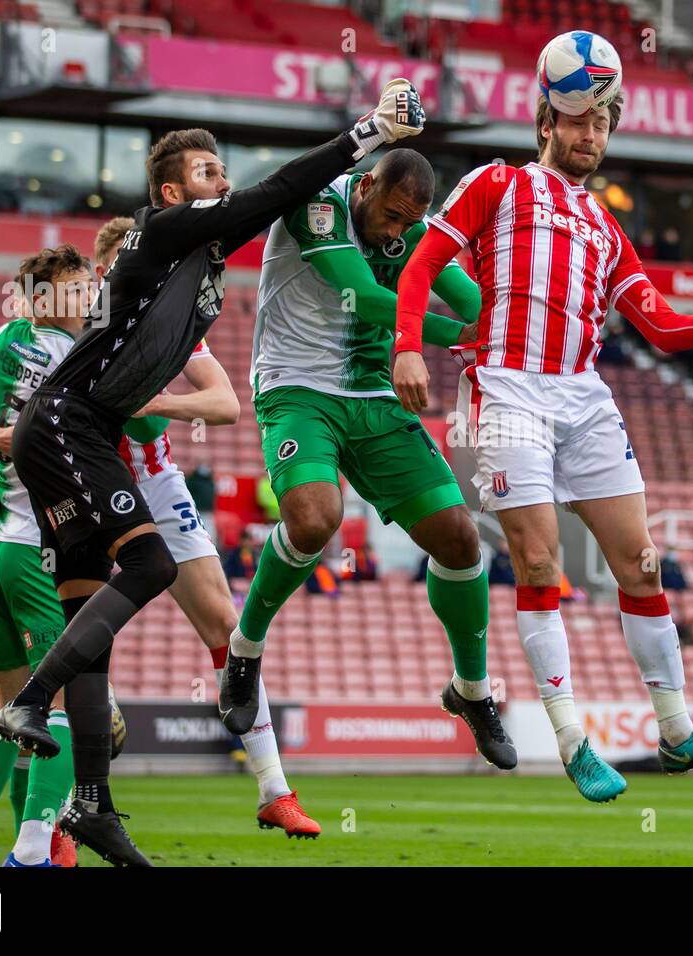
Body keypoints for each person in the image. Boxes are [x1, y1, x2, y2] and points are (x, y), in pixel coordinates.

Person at [0, 80, 428, 866]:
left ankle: (91, 805)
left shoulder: (199, 254)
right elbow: (276, 192)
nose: (220, 181)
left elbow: (259, 214)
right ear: (169, 191)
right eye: (206, 172)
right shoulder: (164, 231)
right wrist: (366, 132)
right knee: (152, 562)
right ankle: (26, 703)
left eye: (221, 170)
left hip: (79, 431)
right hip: (67, 426)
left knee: (93, 620)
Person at [392, 89, 693, 801]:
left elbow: (662, 328)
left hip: (583, 395)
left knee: (641, 564)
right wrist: (407, 347)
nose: (592, 133)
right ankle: (573, 741)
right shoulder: (497, 183)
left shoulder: (605, 225)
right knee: (539, 559)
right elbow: (422, 263)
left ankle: (676, 732)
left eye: (602, 122)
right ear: (546, 124)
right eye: (579, 119)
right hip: (509, 385)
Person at [219, 146, 514, 770]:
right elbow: (366, 297)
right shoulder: (318, 205)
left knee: (461, 540)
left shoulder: (410, 229)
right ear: (366, 187)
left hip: (374, 399)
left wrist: (511, 329)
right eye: (392, 216)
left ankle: (472, 690)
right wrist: (463, 337)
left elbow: (472, 302)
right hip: (297, 388)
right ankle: (243, 653)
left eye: (412, 224)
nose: (398, 233)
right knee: (313, 520)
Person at [97, 219, 320, 838]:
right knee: (76, 642)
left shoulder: (174, 331)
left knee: (225, 625)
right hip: (81, 486)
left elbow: (224, 404)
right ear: (104, 273)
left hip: (156, 484)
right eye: (128, 263)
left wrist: (157, 403)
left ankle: (275, 788)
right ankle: (66, 821)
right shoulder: (77, 330)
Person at [0, 246, 93, 867]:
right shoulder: (79, 354)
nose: (89, 299)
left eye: (90, 288)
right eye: (76, 291)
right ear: (41, 299)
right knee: (58, 709)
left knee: (10, 716)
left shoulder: (4, 338)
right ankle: (32, 854)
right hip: (38, 546)